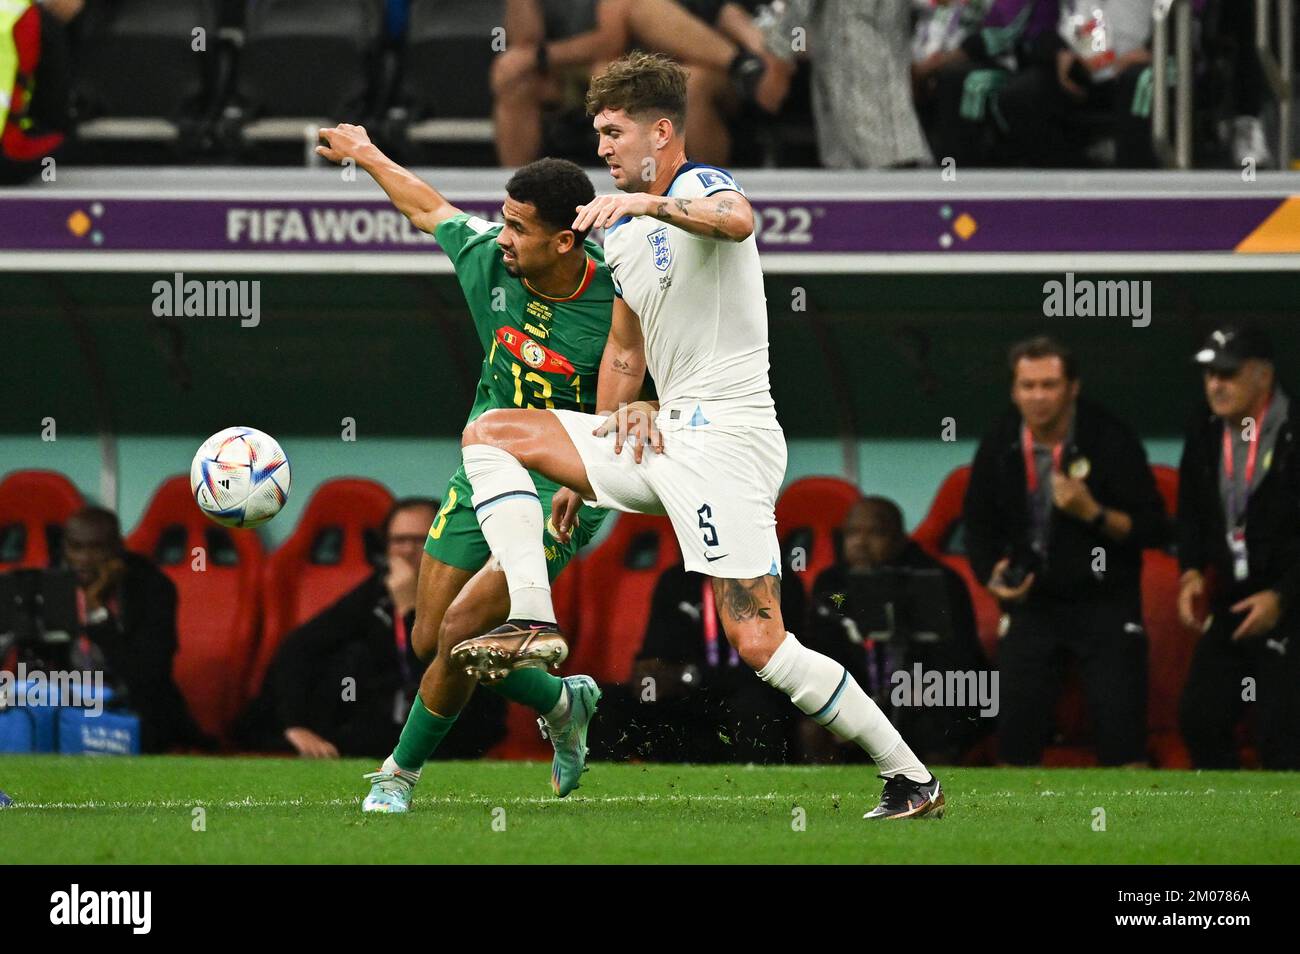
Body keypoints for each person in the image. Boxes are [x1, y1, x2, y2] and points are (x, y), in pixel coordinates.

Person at [451, 51, 945, 819]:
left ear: (662, 130)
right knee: (492, 432)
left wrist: (649, 208)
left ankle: (910, 776)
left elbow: (739, 221)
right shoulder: (616, 233)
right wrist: (588, 471)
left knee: (760, 646)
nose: (605, 149)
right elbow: (623, 351)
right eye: (598, 133)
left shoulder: (697, 187)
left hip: (730, 440)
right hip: (664, 434)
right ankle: (534, 616)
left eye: (615, 132)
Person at [315, 129, 615, 812]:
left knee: (460, 633)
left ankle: (397, 776)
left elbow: (657, 395)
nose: (501, 237)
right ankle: (563, 701)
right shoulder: (489, 263)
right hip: (485, 468)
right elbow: (429, 209)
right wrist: (366, 154)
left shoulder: (621, 296)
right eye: (502, 220)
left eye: (517, 227)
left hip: (563, 488)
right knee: (431, 636)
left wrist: (590, 471)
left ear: (565, 241)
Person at [964, 336, 1168, 766]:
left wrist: (1091, 512)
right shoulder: (1000, 441)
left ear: (1073, 387)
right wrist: (992, 574)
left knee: (1121, 735)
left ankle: (1134, 827)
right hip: (1033, 602)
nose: (1037, 397)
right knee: (1015, 738)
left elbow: (1152, 527)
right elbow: (978, 526)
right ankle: (1015, 829)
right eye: (1028, 386)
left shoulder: (1110, 438)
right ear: (1014, 390)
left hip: (1105, 601)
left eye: (1049, 385)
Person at [233, 499, 506, 760]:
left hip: (454, 728)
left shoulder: (473, 587)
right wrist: (295, 725)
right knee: (349, 657)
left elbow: (435, 672)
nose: (408, 551)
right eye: (399, 541)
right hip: (374, 730)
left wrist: (410, 610)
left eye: (421, 540)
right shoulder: (381, 587)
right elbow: (300, 647)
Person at [1177, 325, 1300, 770]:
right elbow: (1190, 510)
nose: (1216, 385)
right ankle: (1224, 822)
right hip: (1232, 598)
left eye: (1228, 374)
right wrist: (1190, 571)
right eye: (1210, 374)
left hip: (1290, 601)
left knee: (1281, 728)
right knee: (1199, 718)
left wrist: (1282, 597)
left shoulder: (1293, 432)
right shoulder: (1205, 429)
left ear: (1263, 376)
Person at [805, 497, 990, 765]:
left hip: (928, 690)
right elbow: (822, 652)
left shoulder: (939, 580)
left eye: (875, 533)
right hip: (860, 689)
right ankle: (822, 796)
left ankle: (930, 794)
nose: (860, 543)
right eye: (852, 533)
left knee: (936, 716)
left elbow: (959, 656)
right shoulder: (831, 583)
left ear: (900, 539)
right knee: (813, 720)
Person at [491, 0, 785, 166]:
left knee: (683, 84)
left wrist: (539, 56)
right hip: (597, 69)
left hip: (687, 64)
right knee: (520, 82)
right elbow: (523, 42)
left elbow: (610, 39)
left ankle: (710, 199)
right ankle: (519, 201)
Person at [592, 557, 805, 763]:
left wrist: (694, 675)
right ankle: (613, 790)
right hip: (686, 699)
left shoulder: (775, 580)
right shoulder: (676, 580)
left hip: (748, 700)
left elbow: (785, 666)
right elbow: (654, 660)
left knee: (754, 707)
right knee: (602, 703)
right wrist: (649, 678)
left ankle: (757, 790)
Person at [61, 506, 208, 753]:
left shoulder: (152, 588)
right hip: (70, 709)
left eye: (96, 548)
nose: (84, 558)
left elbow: (145, 675)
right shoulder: (54, 584)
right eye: (76, 547)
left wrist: (97, 612)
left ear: (118, 547)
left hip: (137, 711)